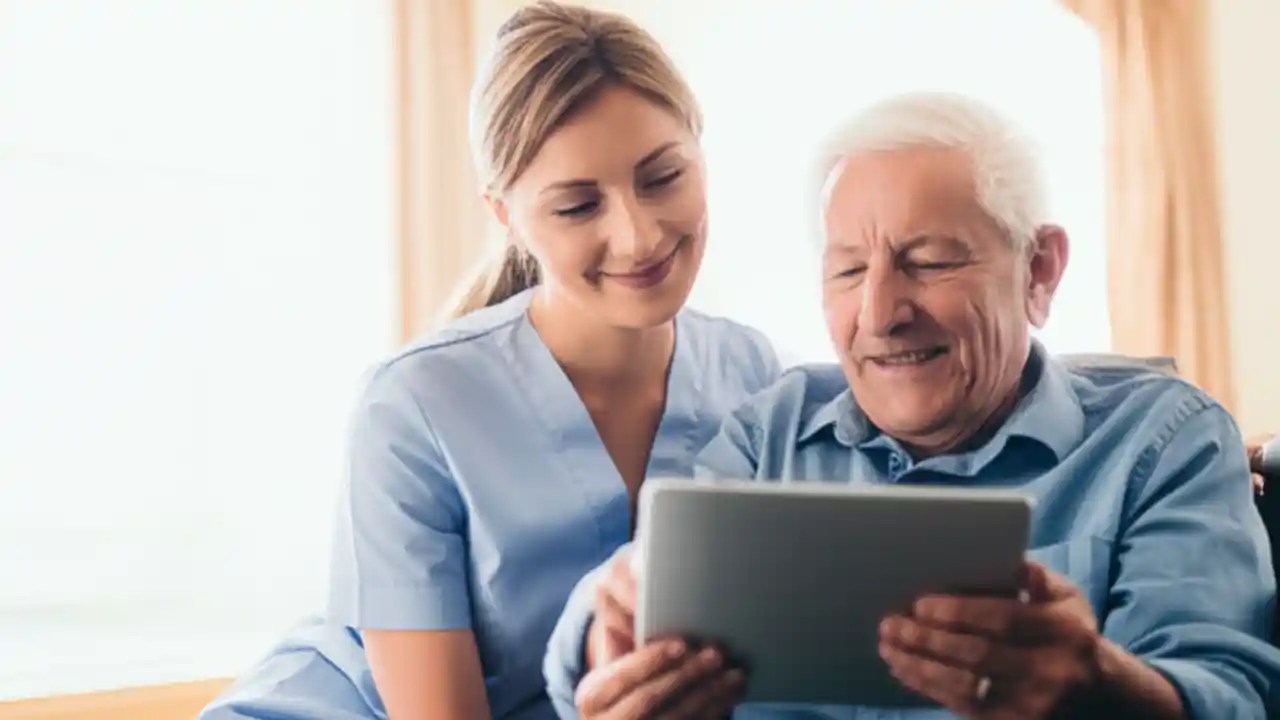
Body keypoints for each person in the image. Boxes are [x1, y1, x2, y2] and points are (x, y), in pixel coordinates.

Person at [545, 93, 1280, 719]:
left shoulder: (1163, 440)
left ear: (1040, 269)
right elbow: (626, 591)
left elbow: (1232, 693)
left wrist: (1098, 684)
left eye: (929, 262)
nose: (880, 313)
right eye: (849, 270)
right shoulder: (770, 434)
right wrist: (602, 635)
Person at [197, 3, 779, 718]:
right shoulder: (414, 405)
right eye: (576, 207)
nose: (636, 237)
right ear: (507, 217)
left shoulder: (754, 376)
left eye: (662, 178)